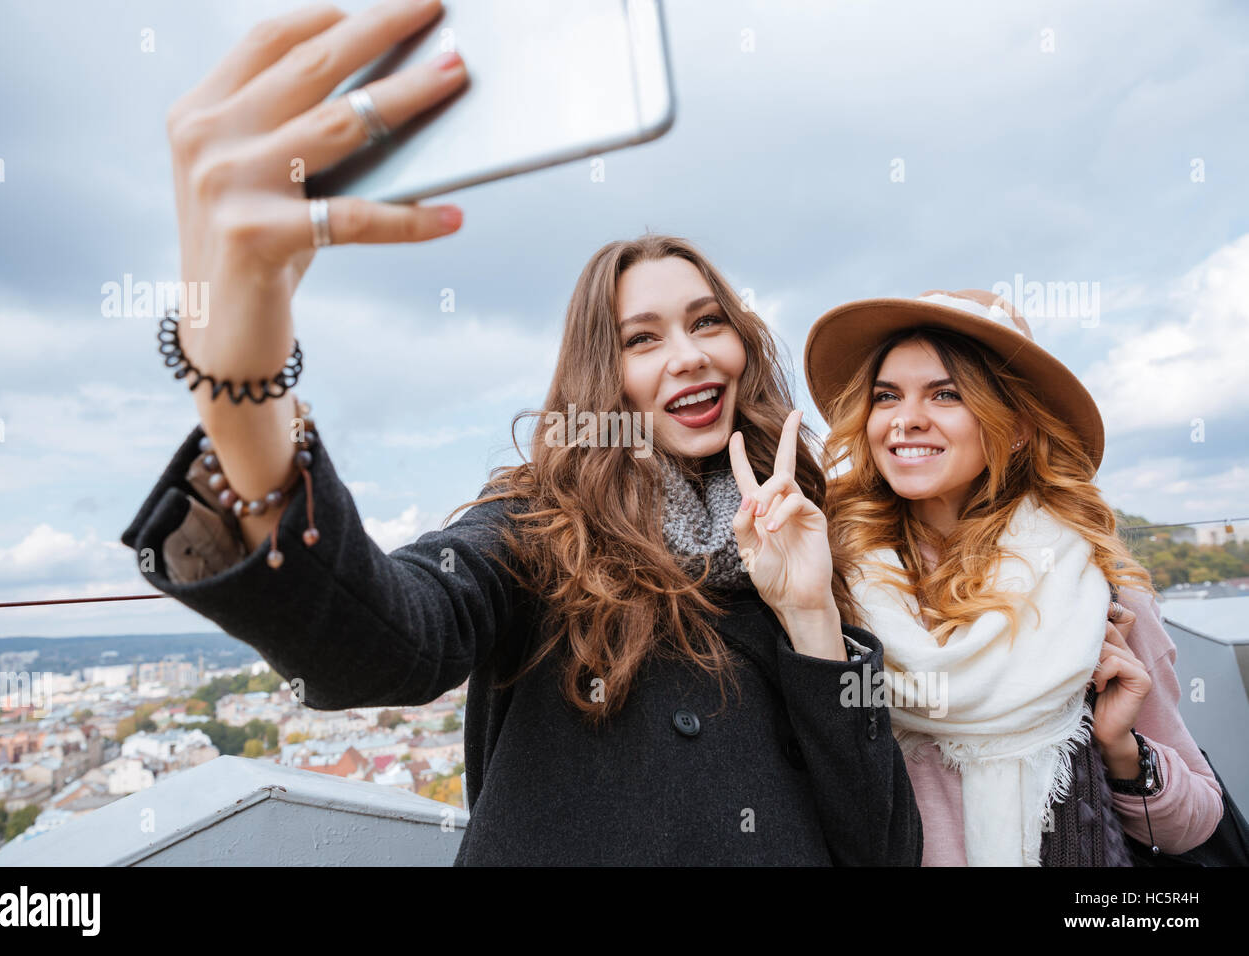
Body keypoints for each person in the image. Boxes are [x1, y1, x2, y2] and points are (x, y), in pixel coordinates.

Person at [122, 0, 922, 865]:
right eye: (643, 338)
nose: (688, 356)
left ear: (743, 343)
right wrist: (240, 385)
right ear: (599, 377)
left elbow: (882, 844)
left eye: (707, 322)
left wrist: (807, 614)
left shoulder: (812, 532)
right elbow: (389, 641)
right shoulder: (541, 523)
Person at [804, 288, 1224, 866]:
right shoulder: (826, 587)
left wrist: (1121, 747)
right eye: (887, 396)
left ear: (1018, 425)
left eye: (946, 394)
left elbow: (1192, 825)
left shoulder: (1097, 593)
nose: (907, 419)